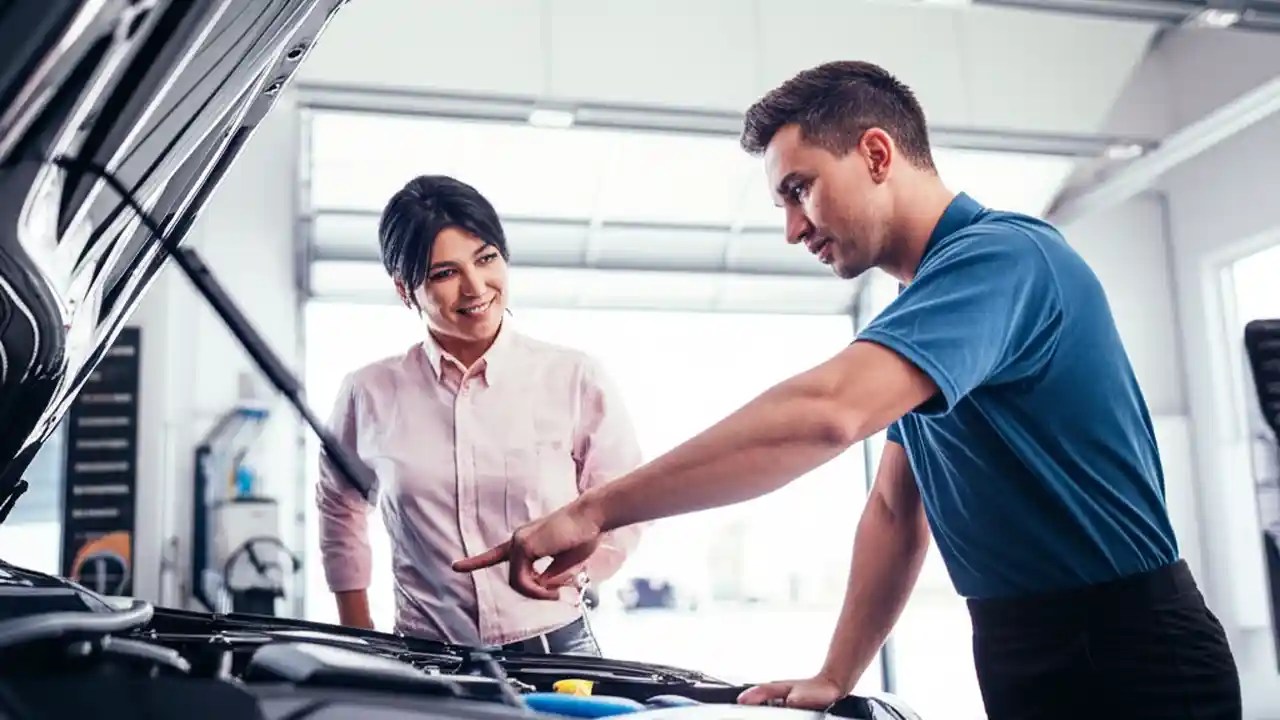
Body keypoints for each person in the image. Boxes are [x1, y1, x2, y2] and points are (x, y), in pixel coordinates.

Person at [453, 61, 1242, 718]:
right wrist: (838, 675)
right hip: (1018, 647)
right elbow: (898, 511)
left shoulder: (1004, 260)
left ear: (874, 152)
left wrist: (596, 507)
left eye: (799, 189)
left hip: (1131, 649)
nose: (793, 228)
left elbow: (827, 414)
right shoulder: (924, 313)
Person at [316, 174, 643, 656]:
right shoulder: (369, 392)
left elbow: (628, 499)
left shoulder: (573, 377)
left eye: (486, 258)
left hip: (557, 648)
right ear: (406, 290)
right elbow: (340, 507)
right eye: (445, 273)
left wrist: (578, 571)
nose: (475, 287)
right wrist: (359, 634)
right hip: (424, 654)